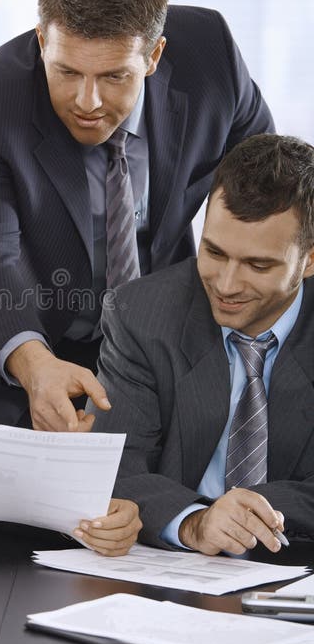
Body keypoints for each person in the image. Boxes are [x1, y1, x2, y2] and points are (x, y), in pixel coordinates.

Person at [0, 0, 274, 442]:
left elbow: (267, 194)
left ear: (154, 55)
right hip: (8, 348)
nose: (88, 101)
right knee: (2, 518)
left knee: (143, 513)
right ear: (43, 41)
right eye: (67, 72)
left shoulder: (210, 56)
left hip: (153, 349)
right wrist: (34, 363)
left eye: (114, 76)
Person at [86, 133, 314, 556]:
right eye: (214, 252)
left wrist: (241, 516)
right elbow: (113, 464)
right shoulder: (141, 314)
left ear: (310, 259)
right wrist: (194, 521)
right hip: (172, 571)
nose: (226, 285)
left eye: (257, 265)